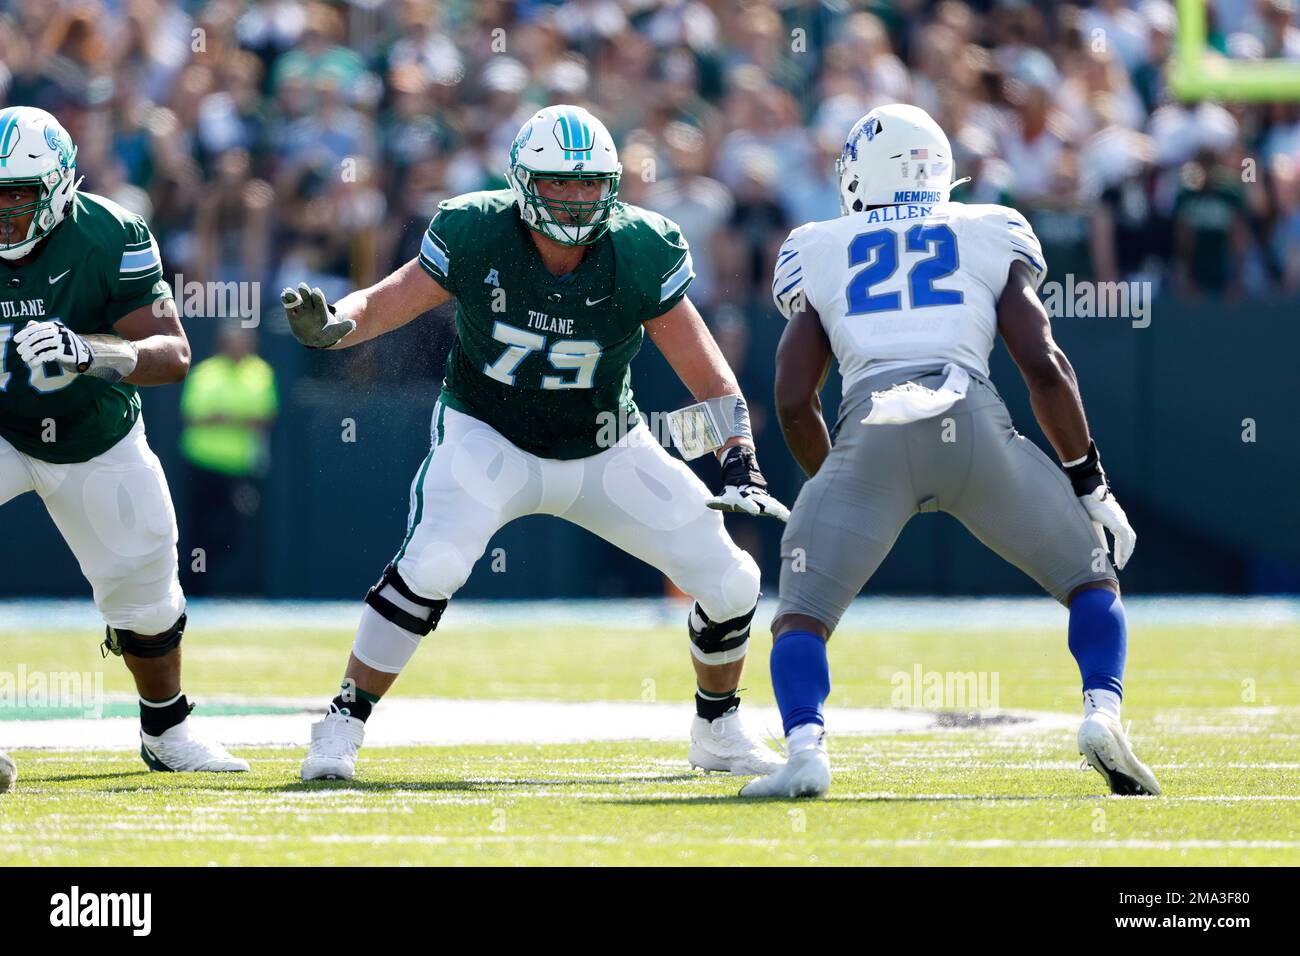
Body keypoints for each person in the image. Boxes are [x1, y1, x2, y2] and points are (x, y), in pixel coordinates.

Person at [283, 105, 789, 782]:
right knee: (432, 566)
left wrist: (741, 461)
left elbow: (706, 370)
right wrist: (336, 324)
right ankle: (342, 720)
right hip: (488, 435)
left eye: (590, 184)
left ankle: (719, 731)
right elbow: (386, 302)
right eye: (560, 183)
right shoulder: (475, 230)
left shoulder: (640, 247)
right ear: (523, 183)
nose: (578, 198)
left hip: (607, 445)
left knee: (732, 581)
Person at [744, 104, 1158, 799]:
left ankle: (807, 749)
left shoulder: (816, 244)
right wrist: (1091, 483)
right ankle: (1101, 712)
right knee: (1091, 581)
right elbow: (1044, 363)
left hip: (870, 423)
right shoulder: (988, 226)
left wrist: (836, 482)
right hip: (970, 416)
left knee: (801, 617)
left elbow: (791, 398)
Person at [0, 106, 247, 783]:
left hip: (94, 431)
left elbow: (173, 353)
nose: (5, 213)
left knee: (147, 591)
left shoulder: (111, 233)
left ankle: (166, 729)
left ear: (59, 189)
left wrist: (91, 352)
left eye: (18, 196)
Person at [179, 324, 278, 595]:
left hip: (239, 468)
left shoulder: (261, 373)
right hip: (202, 464)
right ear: (223, 343)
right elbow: (193, 416)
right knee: (198, 528)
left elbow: (265, 418)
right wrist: (237, 419)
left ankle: (214, 584)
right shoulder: (204, 373)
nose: (240, 347)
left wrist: (224, 418)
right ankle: (193, 587)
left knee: (230, 531)